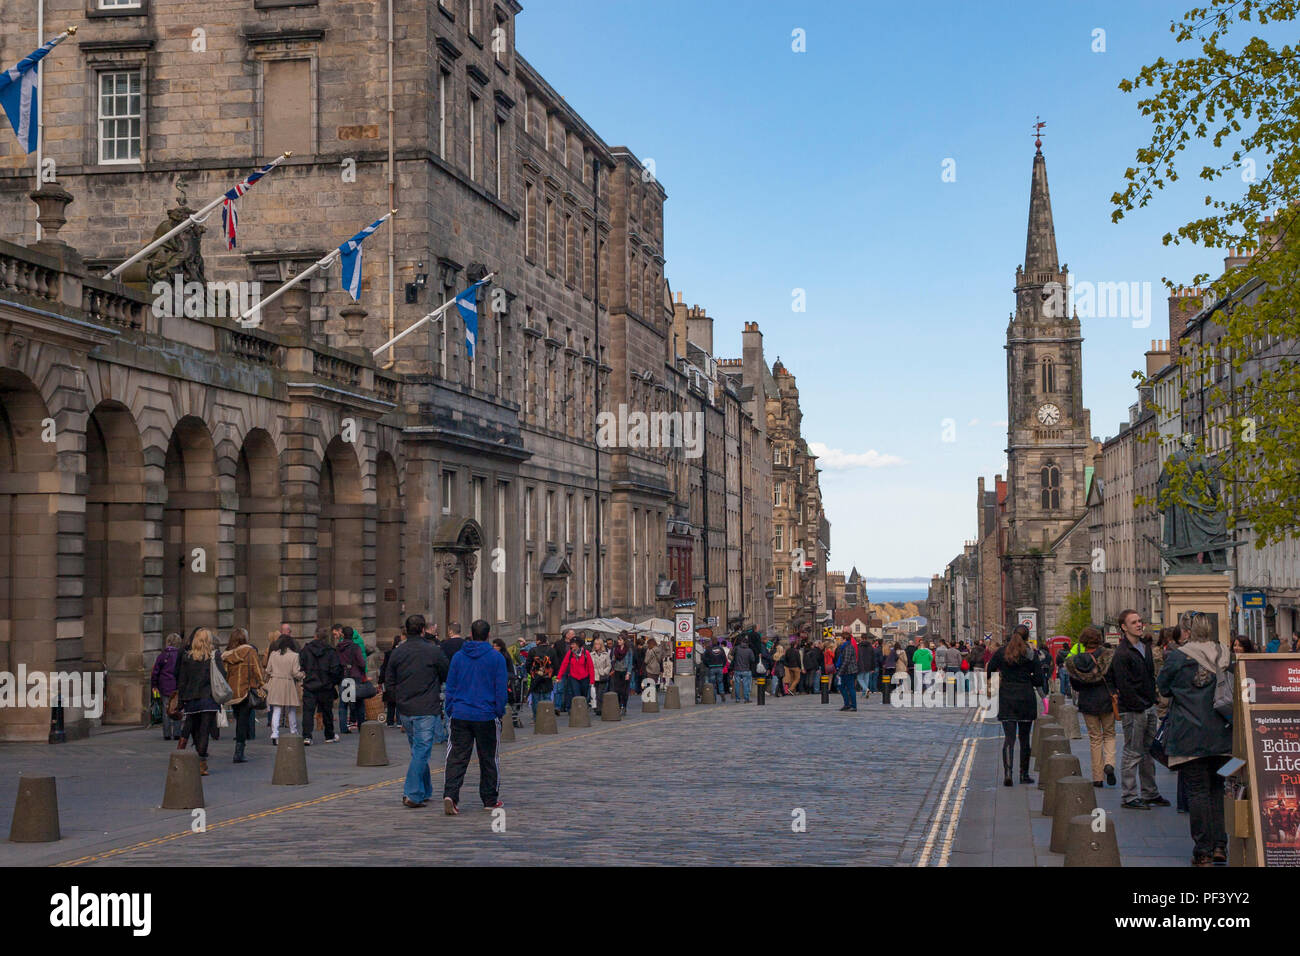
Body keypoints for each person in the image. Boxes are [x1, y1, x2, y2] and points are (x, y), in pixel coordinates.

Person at [1157, 613, 1233, 865]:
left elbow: (1164, 688)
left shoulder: (1178, 657)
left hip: (1189, 734)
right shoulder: (1224, 654)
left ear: (1187, 631)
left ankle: (1203, 851)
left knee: (1198, 792)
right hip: (1223, 733)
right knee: (1218, 789)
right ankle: (1221, 845)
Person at [442, 619, 508, 815]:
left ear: (470, 634)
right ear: (488, 635)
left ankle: (451, 795)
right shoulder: (496, 658)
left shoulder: (458, 657)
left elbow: (450, 686)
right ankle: (489, 799)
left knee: (456, 757)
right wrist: (499, 710)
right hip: (486, 714)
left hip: (461, 713)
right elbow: (500, 690)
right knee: (488, 758)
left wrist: (450, 708)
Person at [388, 614, 451, 808]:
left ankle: (424, 790)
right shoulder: (433, 651)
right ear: (423, 629)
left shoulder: (397, 652)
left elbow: (389, 680)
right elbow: (446, 673)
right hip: (425, 706)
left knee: (418, 750)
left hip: (405, 708)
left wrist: (398, 701)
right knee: (421, 751)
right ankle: (413, 794)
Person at [1112, 609, 1169, 810]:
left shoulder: (1144, 647)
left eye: (1140, 621)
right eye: (1134, 622)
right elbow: (1121, 683)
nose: (1139, 624)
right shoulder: (1122, 653)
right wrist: (1138, 704)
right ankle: (1129, 795)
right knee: (1132, 751)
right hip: (1134, 709)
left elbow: (1149, 677)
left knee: (1147, 751)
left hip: (1148, 706)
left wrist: (1152, 701)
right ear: (1124, 627)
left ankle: (1149, 792)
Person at [988, 624, 1044, 786]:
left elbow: (990, 668)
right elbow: (1039, 679)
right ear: (1027, 637)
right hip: (1026, 697)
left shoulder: (1001, 652)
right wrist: (1028, 679)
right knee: (1025, 739)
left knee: (1009, 738)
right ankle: (1024, 774)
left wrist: (1001, 675)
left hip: (1007, 697)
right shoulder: (1031, 654)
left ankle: (1008, 772)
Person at [1064, 626, 1117, 788]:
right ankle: (1109, 763)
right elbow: (1115, 679)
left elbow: (1075, 685)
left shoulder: (1076, 661)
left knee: (1095, 739)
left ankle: (1097, 777)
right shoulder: (1108, 657)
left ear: (1083, 642)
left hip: (1087, 702)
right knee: (1109, 734)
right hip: (1106, 700)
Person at [175, 628, 227, 776]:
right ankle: (201, 762)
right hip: (208, 698)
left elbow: (182, 680)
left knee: (192, 728)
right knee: (204, 730)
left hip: (191, 698)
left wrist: (181, 700)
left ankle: (183, 756)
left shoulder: (188, 657)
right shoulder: (214, 656)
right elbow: (222, 675)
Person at [221, 627, 265, 764]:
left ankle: (239, 750)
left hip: (233, 692)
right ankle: (239, 752)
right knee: (242, 721)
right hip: (246, 690)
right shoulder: (250, 651)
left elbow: (224, 673)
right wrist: (262, 684)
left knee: (239, 719)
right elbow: (257, 669)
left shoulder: (227, 654)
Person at [300, 626, 343, 744]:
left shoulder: (306, 650)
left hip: (310, 684)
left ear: (315, 636)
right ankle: (329, 735)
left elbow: (301, 664)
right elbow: (336, 670)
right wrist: (332, 682)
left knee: (308, 712)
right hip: (325, 685)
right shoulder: (330, 651)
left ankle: (307, 736)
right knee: (327, 712)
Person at [264, 632, 304, 745]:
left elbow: (268, 670)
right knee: (291, 710)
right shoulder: (294, 655)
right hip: (288, 683)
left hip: (275, 683)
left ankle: (275, 733)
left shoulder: (273, 654)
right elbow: (296, 673)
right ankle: (293, 731)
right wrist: (303, 675)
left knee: (276, 710)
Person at [151, 632, 184, 741]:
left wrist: (154, 685)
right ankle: (177, 733)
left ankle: (166, 733)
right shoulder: (181, 655)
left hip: (164, 686)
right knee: (177, 708)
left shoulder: (162, 656)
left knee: (166, 709)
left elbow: (155, 672)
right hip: (178, 686)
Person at [557, 633, 595, 712]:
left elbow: (591, 667)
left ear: (578, 644)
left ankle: (583, 710)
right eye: (571, 644)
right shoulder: (570, 653)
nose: (572, 646)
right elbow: (564, 664)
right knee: (576, 694)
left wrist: (592, 680)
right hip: (574, 677)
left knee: (583, 695)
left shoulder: (586, 653)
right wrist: (559, 677)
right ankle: (578, 711)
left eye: (573, 644)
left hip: (585, 677)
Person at [527, 641, 554, 718]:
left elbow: (528, 665)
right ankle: (548, 716)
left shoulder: (532, 651)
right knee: (547, 698)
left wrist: (532, 675)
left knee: (536, 699)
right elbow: (555, 665)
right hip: (547, 679)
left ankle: (536, 717)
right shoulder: (551, 651)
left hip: (535, 679)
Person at [381, 632, 403, 726]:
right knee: (399, 701)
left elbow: (384, 667)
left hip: (390, 678)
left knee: (390, 701)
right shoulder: (402, 652)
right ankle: (399, 721)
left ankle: (390, 721)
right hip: (400, 678)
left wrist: (381, 680)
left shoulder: (389, 653)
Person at [836, 631, 859, 711]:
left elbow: (846, 661)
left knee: (850, 688)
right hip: (845, 671)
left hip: (849, 671)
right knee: (841, 687)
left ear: (845, 639)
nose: (841, 640)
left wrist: (839, 672)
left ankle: (853, 705)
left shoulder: (848, 647)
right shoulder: (845, 647)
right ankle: (847, 704)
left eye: (842, 639)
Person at [610, 633, 632, 714]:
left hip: (625, 671)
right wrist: (612, 667)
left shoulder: (628, 650)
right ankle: (619, 706)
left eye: (620, 640)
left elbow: (630, 662)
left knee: (624, 691)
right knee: (617, 690)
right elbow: (612, 659)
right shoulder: (615, 649)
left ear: (624, 641)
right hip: (617, 671)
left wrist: (628, 673)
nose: (618, 641)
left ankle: (624, 706)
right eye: (618, 639)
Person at [591, 637, 613, 707]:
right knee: (596, 693)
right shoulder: (591, 654)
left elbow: (609, 665)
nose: (596, 646)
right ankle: (597, 707)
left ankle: (600, 708)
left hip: (602, 676)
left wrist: (604, 672)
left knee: (601, 693)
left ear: (601, 645)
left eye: (598, 644)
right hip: (594, 676)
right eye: (595, 644)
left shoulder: (605, 654)